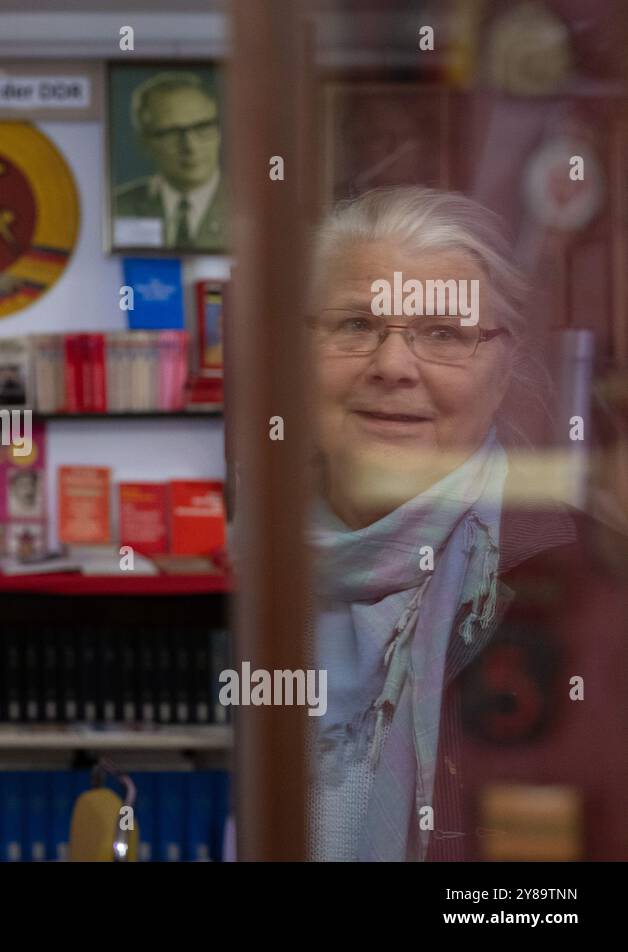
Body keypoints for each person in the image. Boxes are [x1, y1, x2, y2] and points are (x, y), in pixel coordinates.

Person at [303, 186, 628, 861]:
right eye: (357, 326)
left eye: (443, 333)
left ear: (506, 367)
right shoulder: (238, 555)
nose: (392, 367)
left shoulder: (588, 576)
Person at [113, 72, 227, 250]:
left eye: (202, 127)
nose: (190, 147)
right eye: (171, 133)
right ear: (144, 142)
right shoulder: (117, 209)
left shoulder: (255, 208)